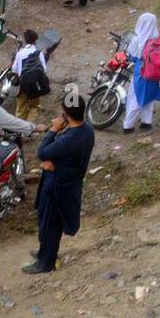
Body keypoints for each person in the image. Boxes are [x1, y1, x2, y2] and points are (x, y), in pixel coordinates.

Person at [25, 95, 95, 274]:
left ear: (66, 115)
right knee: (48, 223)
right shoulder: (87, 130)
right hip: (69, 183)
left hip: (57, 188)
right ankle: (44, 253)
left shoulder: (68, 139)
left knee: (50, 224)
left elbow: (42, 152)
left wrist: (53, 130)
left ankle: (46, 262)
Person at [122, 12, 160, 133]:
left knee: (135, 98)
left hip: (142, 74)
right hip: (158, 76)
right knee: (149, 98)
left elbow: (132, 57)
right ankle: (146, 122)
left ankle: (128, 125)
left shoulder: (138, 40)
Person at [12, 28, 50, 121]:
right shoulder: (38, 52)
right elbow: (44, 69)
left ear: (25, 40)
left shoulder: (20, 53)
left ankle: (18, 130)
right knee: (35, 106)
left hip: (23, 85)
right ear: (36, 41)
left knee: (21, 108)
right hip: (35, 85)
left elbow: (14, 69)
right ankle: (29, 130)